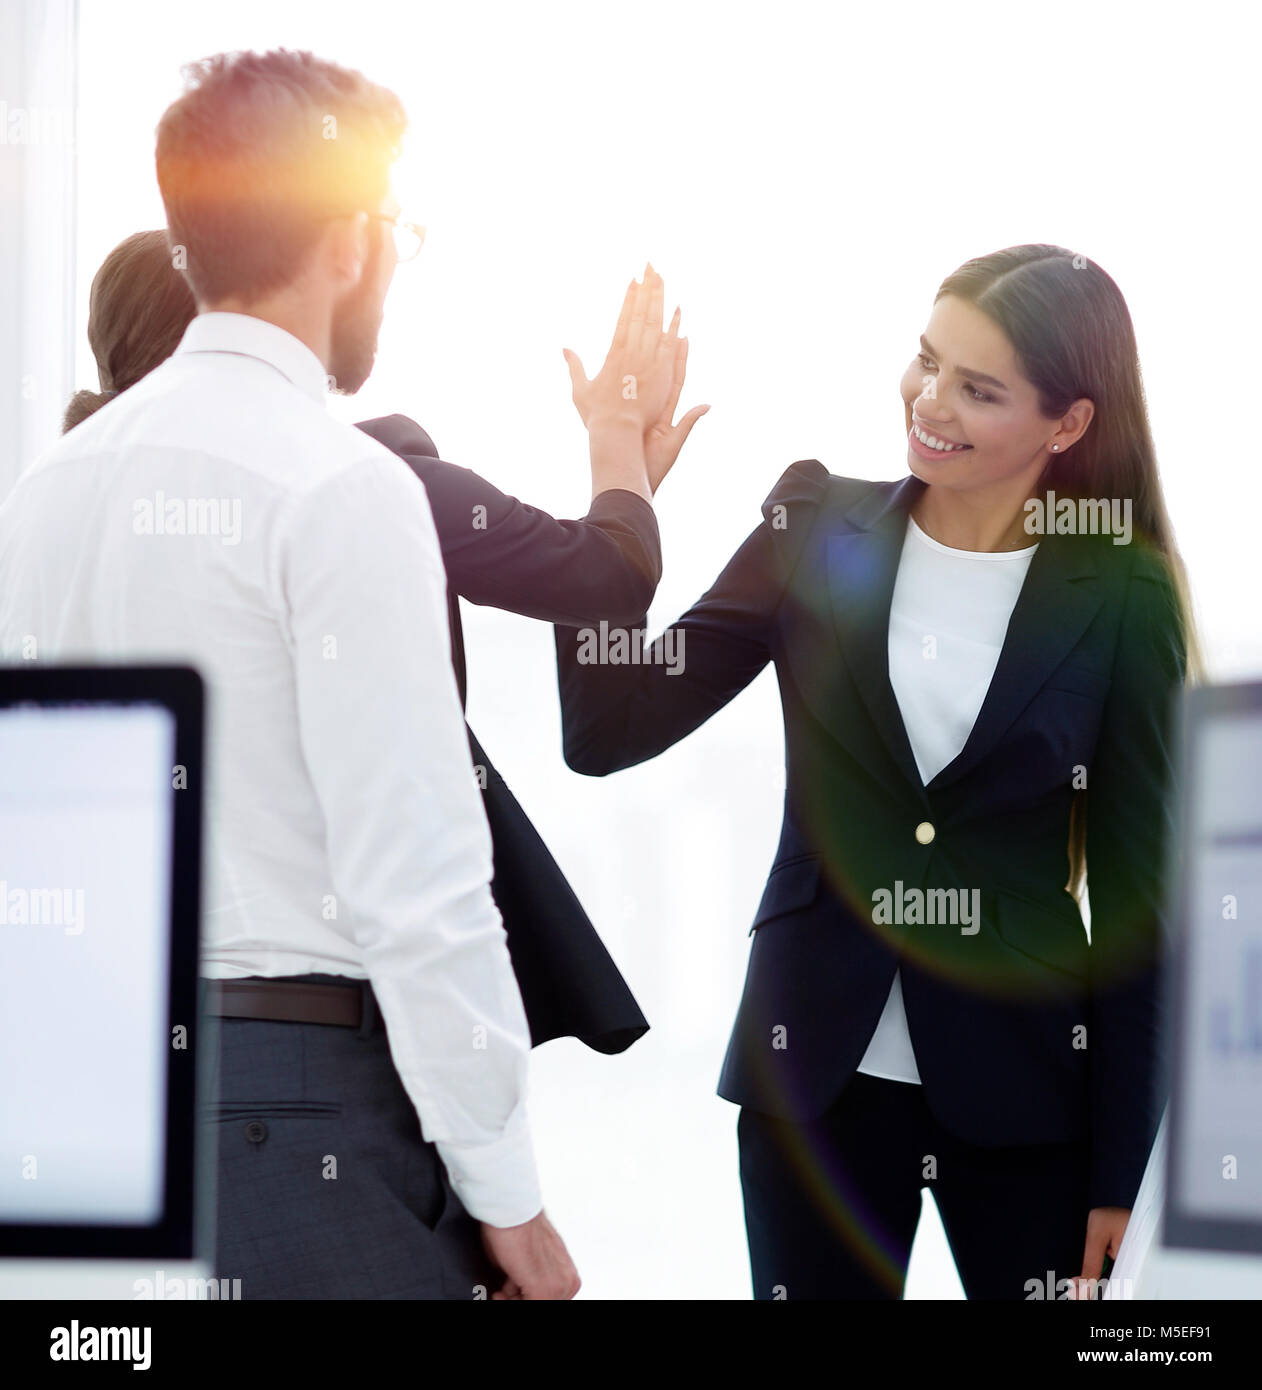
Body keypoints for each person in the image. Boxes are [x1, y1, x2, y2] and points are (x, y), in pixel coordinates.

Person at [0, 48, 674, 1300]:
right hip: (294, 1111)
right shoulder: (339, 484)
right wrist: (507, 1193)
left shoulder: (47, 495)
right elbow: (417, 881)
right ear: (352, 243)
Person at [554, 244, 1198, 1300]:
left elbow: (1139, 911)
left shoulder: (1122, 593)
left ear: (1066, 423)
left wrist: (1122, 1176)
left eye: (977, 388)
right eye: (925, 360)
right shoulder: (812, 521)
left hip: (1030, 1091)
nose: (928, 400)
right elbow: (608, 725)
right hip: (810, 1078)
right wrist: (616, 473)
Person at [62, 227, 706, 1057]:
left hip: (130, 1007)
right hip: (346, 1018)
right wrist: (618, 444)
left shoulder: (78, 519)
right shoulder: (365, 480)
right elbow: (608, 576)